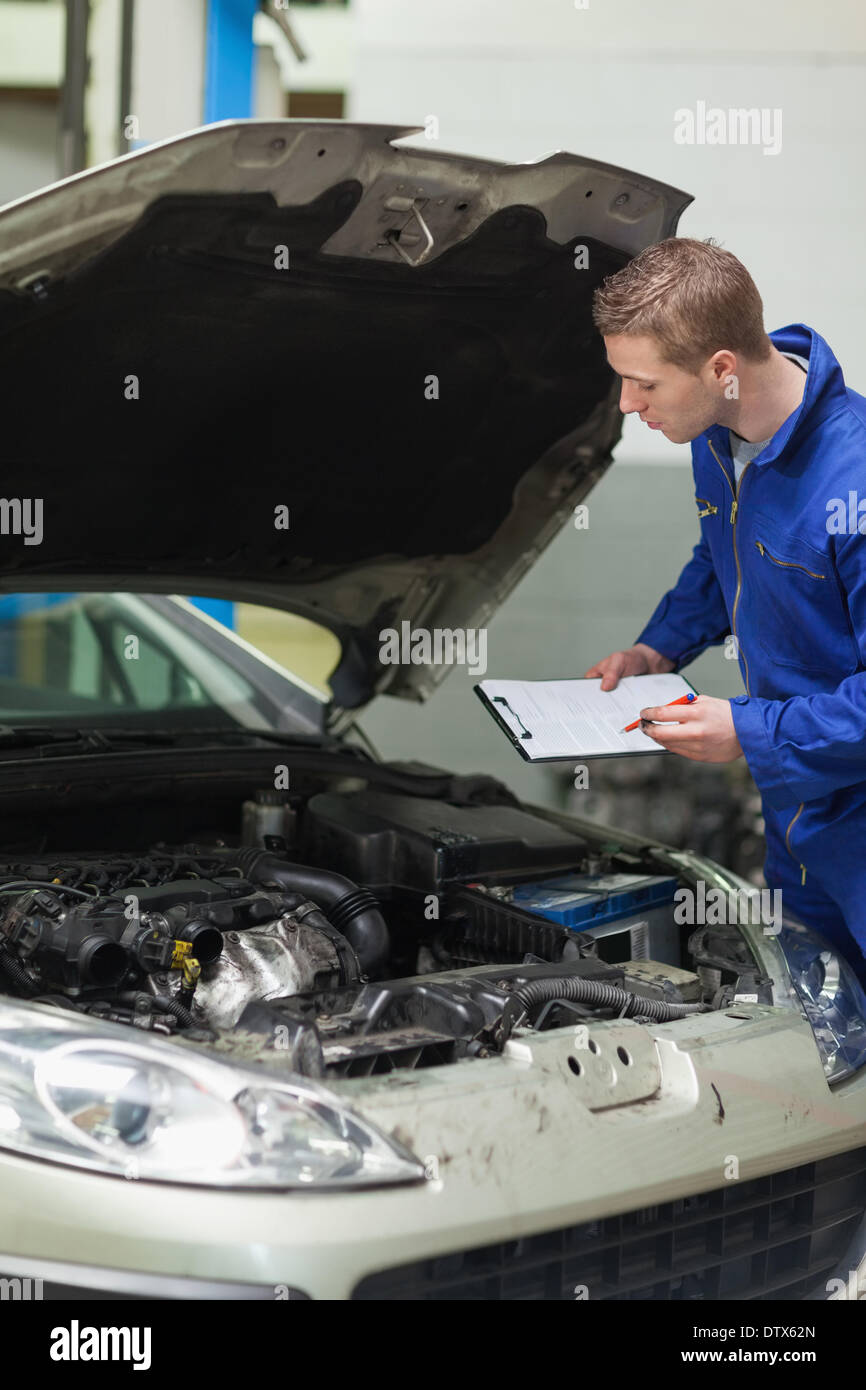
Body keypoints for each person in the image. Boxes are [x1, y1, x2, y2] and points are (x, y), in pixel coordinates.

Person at [584, 236, 866, 984]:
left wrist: (747, 728)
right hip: (793, 813)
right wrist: (658, 650)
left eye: (643, 384)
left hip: (860, 819)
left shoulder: (856, 481)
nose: (627, 404)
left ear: (720, 369)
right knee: (827, 1043)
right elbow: (722, 553)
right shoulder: (716, 433)